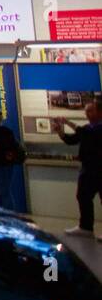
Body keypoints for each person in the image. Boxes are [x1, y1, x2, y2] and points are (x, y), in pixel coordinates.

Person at [60, 100, 102, 238]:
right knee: (83, 197)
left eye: (90, 110)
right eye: (86, 111)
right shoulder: (87, 128)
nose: (87, 114)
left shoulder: (96, 128)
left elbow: (86, 133)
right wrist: (60, 132)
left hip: (99, 169)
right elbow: (71, 140)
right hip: (88, 169)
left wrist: (68, 122)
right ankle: (86, 227)